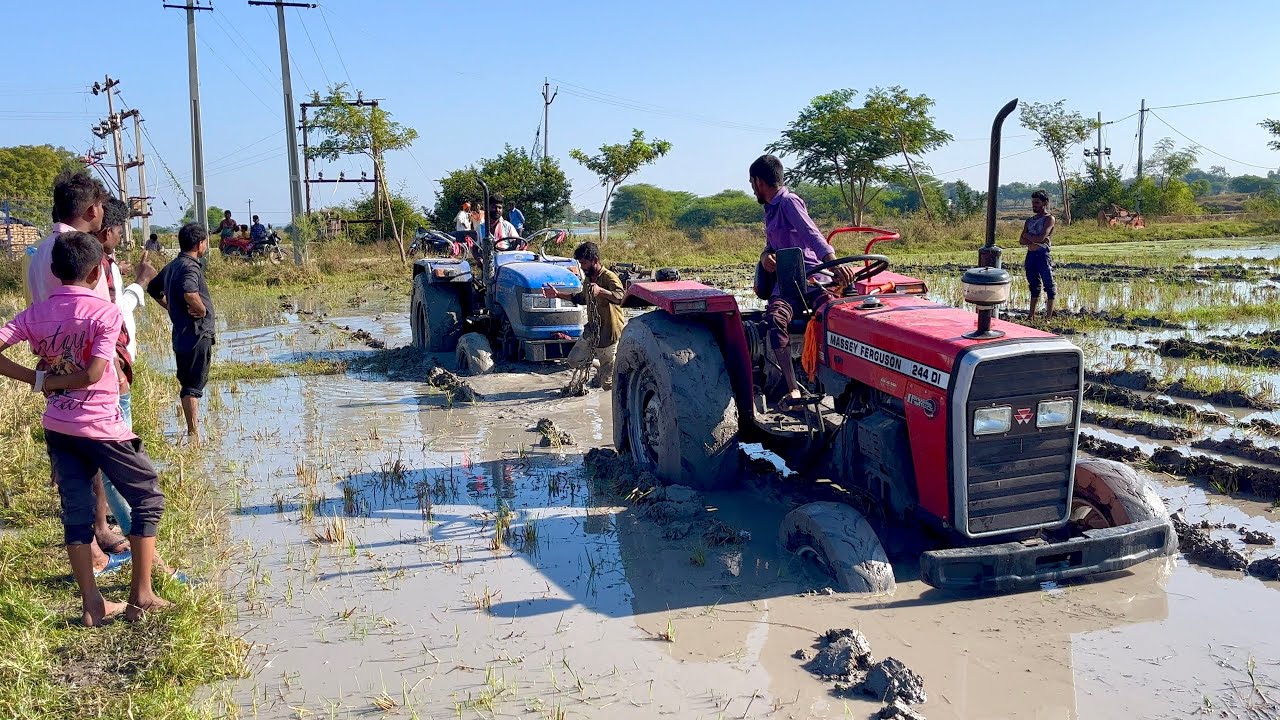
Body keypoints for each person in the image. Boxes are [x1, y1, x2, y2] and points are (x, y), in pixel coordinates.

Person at [0, 231, 170, 625]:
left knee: (76, 514)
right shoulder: (105, 313)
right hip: (102, 426)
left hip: (59, 426)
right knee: (147, 498)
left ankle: (92, 605)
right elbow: (95, 372)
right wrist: (49, 382)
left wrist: (36, 380)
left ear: (56, 272)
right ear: (97, 273)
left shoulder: (36, 314)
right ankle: (141, 595)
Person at [749, 154, 856, 411]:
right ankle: (793, 388)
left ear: (758, 182)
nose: (752, 188)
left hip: (813, 278)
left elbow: (812, 234)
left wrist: (833, 262)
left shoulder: (788, 202)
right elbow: (771, 246)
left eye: (752, 183)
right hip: (787, 284)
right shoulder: (771, 209)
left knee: (834, 314)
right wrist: (766, 257)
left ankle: (842, 384)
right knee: (775, 320)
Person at [95, 197, 158, 543]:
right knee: (121, 466)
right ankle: (145, 555)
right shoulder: (99, 265)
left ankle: (103, 531)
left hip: (86, 377)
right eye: (119, 231)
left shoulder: (42, 256)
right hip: (108, 373)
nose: (120, 237)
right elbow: (111, 315)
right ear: (106, 228)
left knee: (97, 463)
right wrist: (141, 283)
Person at [147, 223, 215, 441]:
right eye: (205, 242)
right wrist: (201, 309)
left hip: (181, 335)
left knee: (188, 385)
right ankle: (194, 434)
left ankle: (192, 430)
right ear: (199, 244)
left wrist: (170, 307)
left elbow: (152, 288)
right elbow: (190, 292)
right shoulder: (190, 267)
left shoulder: (173, 265)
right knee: (193, 387)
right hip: (196, 333)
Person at [543, 241, 625, 390]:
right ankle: (598, 366)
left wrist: (601, 291)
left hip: (609, 333)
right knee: (574, 360)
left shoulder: (609, 277)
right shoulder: (589, 277)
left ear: (594, 260)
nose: (582, 267)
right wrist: (557, 295)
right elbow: (581, 298)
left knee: (607, 385)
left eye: (584, 263)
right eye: (580, 263)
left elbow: (621, 298)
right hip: (592, 330)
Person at [25, 172, 109, 305]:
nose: (103, 211)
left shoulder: (40, 251)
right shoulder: (86, 251)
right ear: (93, 209)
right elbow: (99, 308)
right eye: (101, 205)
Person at [1021, 189, 1056, 320]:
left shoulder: (1049, 219)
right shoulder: (1029, 220)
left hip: (1042, 255)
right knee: (1033, 285)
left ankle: (1048, 316)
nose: (1034, 205)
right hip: (1030, 255)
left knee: (1049, 284)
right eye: (1033, 203)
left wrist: (1028, 236)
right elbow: (1021, 240)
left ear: (1044, 203)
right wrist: (1034, 238)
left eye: (1037, 202)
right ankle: (1031, 315)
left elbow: (1041, 237)